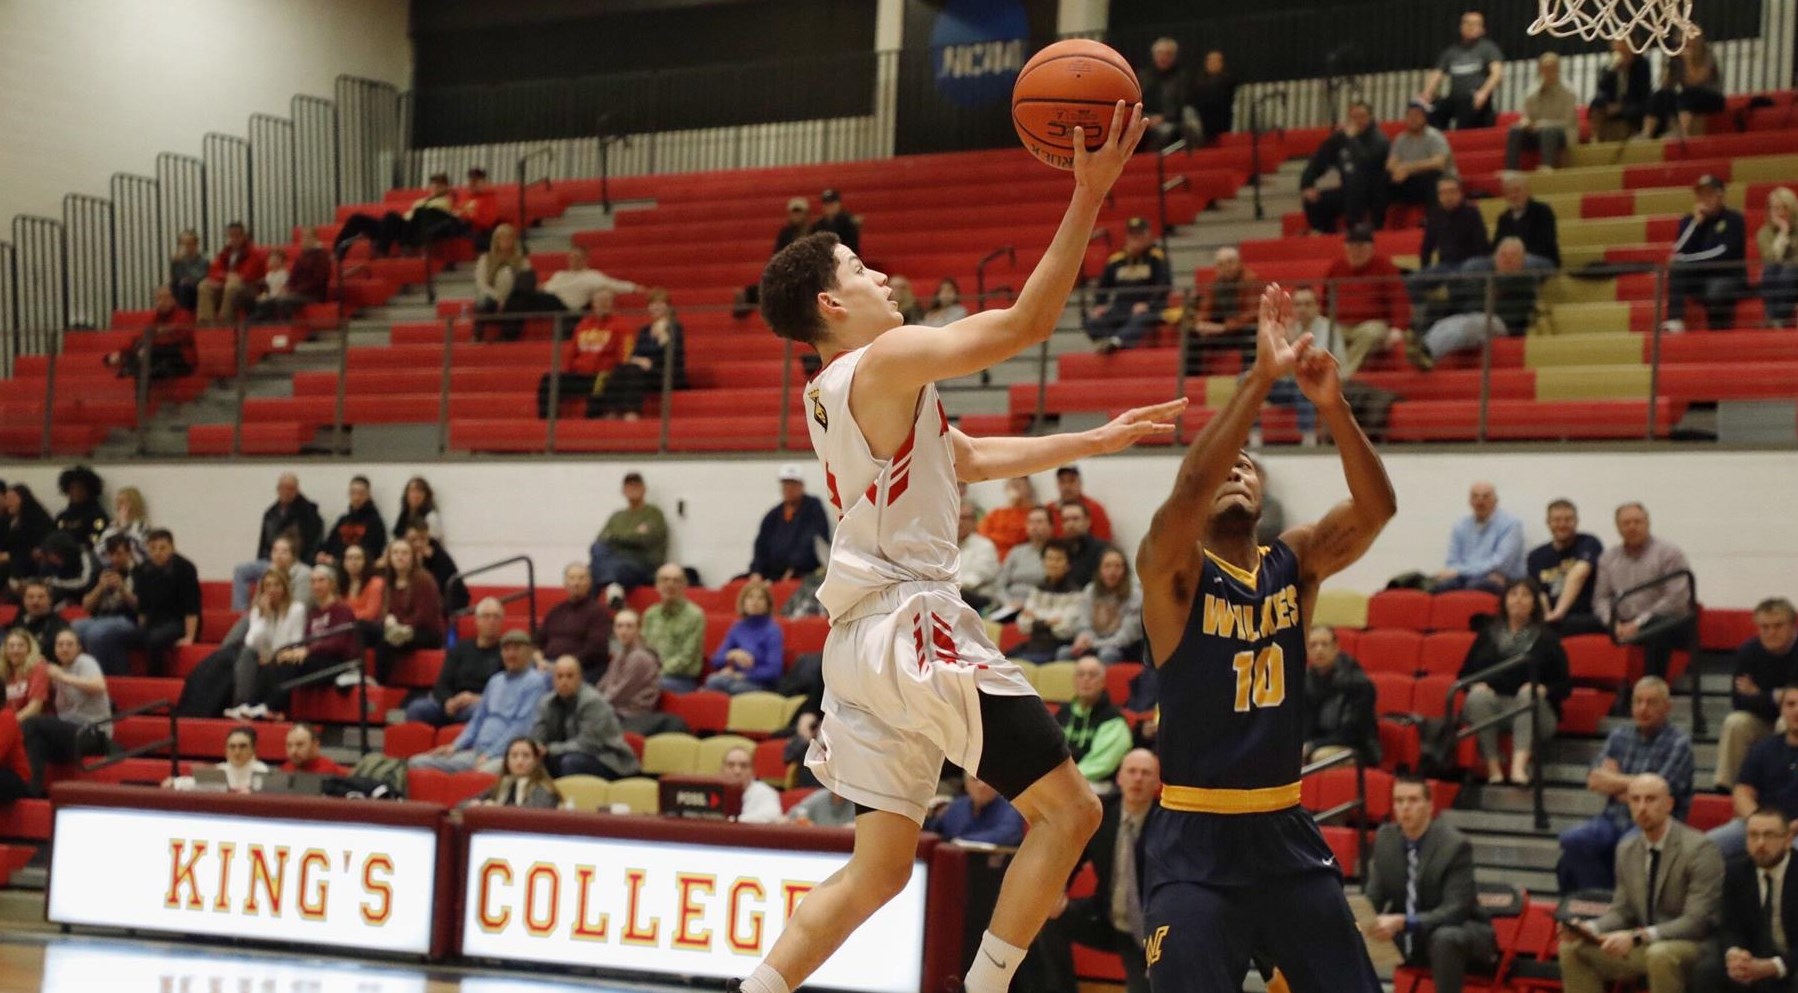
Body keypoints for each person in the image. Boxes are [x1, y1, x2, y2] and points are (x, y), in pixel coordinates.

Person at [736, 103, 1167, 993]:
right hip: (911, 624)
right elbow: (1022, 327)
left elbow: (966, 458)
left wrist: (1087, 444)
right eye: (860, 268)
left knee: (879, 870)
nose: (883, 274)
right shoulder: (884, 362)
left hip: (858, 646)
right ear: (830, 301)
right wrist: (1087, 197)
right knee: (1073, 810)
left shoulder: (839, 389)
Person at [1134, 282, 1396, 993]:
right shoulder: (1174, 572)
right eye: (1225, 467)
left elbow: (1377, 508)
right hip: (1193, 838)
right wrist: (1259, 378)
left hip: (1283, 830)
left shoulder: (1297, 559)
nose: (1234, 473)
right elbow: (1190, 484)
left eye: (1247, 466)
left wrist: (1333, 407)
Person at [1557, 773, 1722, 993]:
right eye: (1635, 800)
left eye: (1651, 799)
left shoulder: (1700, 848)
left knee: (1660, 954)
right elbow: (1621, 912)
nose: (1642, 807)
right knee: (1572, 949)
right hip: (1647, 943)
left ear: (1669, 804)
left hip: (1695, 945)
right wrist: (1588, 928)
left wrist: (1637, 936)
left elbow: (1696, 921)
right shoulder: (1627, 849)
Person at [1026, 749, 1160, 993]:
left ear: (1157, 782)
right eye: (1132, 771)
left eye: (1146, 773)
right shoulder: (1103, 812)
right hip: (1105, 916)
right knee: (1050, 916)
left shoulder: (1166, 823)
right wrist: (1058, 889)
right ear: (1119, 778)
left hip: (1146, 932)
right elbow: (1071, 852)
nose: (1138, 778)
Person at [1557, 677, 1695, 892]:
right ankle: (1601, 902)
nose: (1643, 708)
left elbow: (1660, 791)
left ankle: (1616, 908)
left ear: (1667, 707)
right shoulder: (1619, 736)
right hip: (1613, 819)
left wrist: (1616, 783)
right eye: (1637, 701)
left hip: (1653, 825)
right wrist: (1639, 785)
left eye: (1651, 702)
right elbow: (1594, 780)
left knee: (1628, 847)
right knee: (1572, 841)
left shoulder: (1679, 742)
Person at [1363, 777, 1495, 993]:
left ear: (1430, 805)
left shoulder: (1454, 845)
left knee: (1445, 937)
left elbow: (1456, 910)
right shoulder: (1385, 839)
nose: (1405, 807)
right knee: (1351, 930)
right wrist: (1359, 921)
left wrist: (1405, 922)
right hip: (1409, 934)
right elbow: (1374, 897)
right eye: (1399, 800)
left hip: (1462, 933)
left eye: (1413, 800)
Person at [1459, 578, 1572, 785]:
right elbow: (1464, 675)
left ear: (1534, 603)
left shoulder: (1547, 638)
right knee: (1477, 697)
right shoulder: (1488, 634)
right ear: (1504, 600)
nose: (1518, 600)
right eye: (1513, 594)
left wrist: (1543, 690)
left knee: (1526, 695)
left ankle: (1518, 767)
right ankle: (1493, 769)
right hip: (1496, 708)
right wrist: (1475, 684)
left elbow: (1565, 686)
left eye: (1525, 595)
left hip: (1536, 711)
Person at [410, 630, 550, 775]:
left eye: (516, 649)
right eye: (506, 649)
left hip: (506, 756)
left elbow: (521, 727)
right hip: (476, 752)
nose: (511, 654)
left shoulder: (535, 682)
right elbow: (477, 720)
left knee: (480, 775)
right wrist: (455, 746)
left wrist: (490, 754)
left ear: (528, 652)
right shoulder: (495, 681)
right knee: (418, 762)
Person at [228, 567, 357, 722]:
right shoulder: (314, 612)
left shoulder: (341, 610)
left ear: (332, 583)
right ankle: (251, 705)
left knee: (286, 660)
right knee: (276, 660)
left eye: (321, 580)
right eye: (313, 581)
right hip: (313, 659)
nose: (316, 585)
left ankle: (271, 707)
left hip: (335, 663)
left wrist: (307, 651)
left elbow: (339, 642)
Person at [1697, 807, 1798, 993]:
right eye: (1753, 835)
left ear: (1788, 839)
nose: (1760, 844)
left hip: (1791, 959)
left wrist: (1773, 966)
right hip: (1754, 955)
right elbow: (1729, 924)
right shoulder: (1737, 870)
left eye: (1769, 835)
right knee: (1708, 969)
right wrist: (1735, 953)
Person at [1593, 503, 1694, 681]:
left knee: (1658, 629)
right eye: (1626, 523)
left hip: (1665, 621)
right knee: (1571, 624)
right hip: (1622, 621)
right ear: (1618, 527)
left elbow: (1675, 599)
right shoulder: (1608, 557)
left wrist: (1638, 624)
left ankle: (1651, 690)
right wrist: (1612, 623)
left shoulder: (1669, 553)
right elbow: (1600, 599)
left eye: (1637, 521)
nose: (1632, 527)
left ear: (1648, 523)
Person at [1408, 237, 1538, 370]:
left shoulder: (1525, 282)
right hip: (1471, 316)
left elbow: (1514, 313)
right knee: (1446, 323)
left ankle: (1428, 354)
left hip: (1499, 322)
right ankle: (1422, 346)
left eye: (1513, 256)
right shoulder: (1483, 278)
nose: (1507, 259)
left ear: (1522, 260)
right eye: (1503, 255)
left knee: (1467, 326)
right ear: (1495, 257)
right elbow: (1466, 298)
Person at [1715, 599, 1798, 793]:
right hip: (1762, 719)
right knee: (1736, 722)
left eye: (1778, 626)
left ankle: (1780, 786)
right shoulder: (1748, 651)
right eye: (1764, 627)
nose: (1771, 632)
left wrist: (1759, 694)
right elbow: (1739, 701)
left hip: (1792, 720)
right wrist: (1774, 697)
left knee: (1785, 723)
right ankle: (1729, 788)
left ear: (1793, 626)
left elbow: (1793, 701)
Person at [19, 629, 111, 796]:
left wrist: (61, 677)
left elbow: (99, 686)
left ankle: (31, 790)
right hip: (69, 736)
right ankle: (32, 794)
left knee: (33, 722)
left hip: (93, 733)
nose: (64, 648)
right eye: (60, 645)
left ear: (79, 648)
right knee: (35, 740)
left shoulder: (85, 662)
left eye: (69, 644)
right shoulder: (57, 670)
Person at [1713, 687, 1798, 862]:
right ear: (1781, 710)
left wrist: (1789, 829)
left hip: (1795, 831)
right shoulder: (1763, 749)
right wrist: (1757, 822)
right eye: (1790, 704)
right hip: (1758, 824)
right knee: (1705, 847)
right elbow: (1742, 790)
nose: (1796, 710)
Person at [1663, 174, 1748, 332]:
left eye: (1709, 193)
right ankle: (1675, 320)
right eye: (1700, 194)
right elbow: (1679, 249)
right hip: (1699, 277)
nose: (1704, 198)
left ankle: (1718, 335)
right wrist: (1696, 224)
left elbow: (1723, 252)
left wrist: (1687, 260)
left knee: (1715, 290)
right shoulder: (1689, 220)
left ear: (1720, 195)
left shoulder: (1734, 219)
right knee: (1677, 266)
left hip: (1727, 276)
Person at [1322, 225, 1410, 377]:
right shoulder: (1336, 268)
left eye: (1361, 248)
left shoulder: (1385, 267)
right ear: (1346, 248)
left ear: (1370, 249)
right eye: (1352, 248)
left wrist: (1397, 328)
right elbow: (1325, 301)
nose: (1356, 252)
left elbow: (1398, 299)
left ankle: (1342, 377)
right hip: (1341, 325)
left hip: (1372, 324)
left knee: (1370, 333)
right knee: (1324, 333)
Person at [534, 656, 640, 780]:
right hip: (565, 754)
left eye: (569, 676)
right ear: (553, 680)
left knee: (571, 762)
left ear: (580, 678)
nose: (564, 681)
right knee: (533, 762)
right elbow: (538, 735)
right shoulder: (546, 703)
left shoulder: (592, 702)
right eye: (559, 676)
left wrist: (550, 749)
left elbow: (588, 745)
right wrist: (535, 748)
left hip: (608, 761)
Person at [230, 473, 323, 610]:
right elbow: (263, 541)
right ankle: (240, 612)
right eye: (282, 488)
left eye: (290, 488)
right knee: (241, 570)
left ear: (297, 490)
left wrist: (301, 560)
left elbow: (313, 543)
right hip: (270, 559)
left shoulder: (309, 513)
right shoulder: (270, 512)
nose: (286, 491)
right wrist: (264, 559)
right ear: (277, 489)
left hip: (296, 561)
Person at [407, 597, 504, 727]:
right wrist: (449, 701)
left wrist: (475, 698)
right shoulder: (460, 648)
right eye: (486, 616)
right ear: (477, 621)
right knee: (417, 709)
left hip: (480, 703)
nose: (491, 621)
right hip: (452, 704)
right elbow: (441, 685)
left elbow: (504, 692)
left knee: (477, 711)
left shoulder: (505, 653)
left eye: (496, 617)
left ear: (502, 621)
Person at [1409, 177, 1491, 329]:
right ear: (1438, 196)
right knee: (1414, 280)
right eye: (1443, 193)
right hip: (1446, 265)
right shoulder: (1435, 215)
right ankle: (1419, 323)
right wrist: (1424, 269)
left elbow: (1483, 246)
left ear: (1460, 194)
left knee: (1461, 275)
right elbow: (1427, 246)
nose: (1448, 197)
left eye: (1452, 192)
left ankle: (1459, 320)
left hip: (1470, 263)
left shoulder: (1472, 213)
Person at [1299, 101, 1390, 235]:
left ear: (1370, 118)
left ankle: (1355, 232)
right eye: (1354, 117)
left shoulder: (1380, 140)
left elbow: (1364, 164)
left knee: (1355, 189)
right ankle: (1325, 235)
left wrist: (1351, 139)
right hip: (1348, 191)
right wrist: (1307, 184)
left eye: (1362, 116)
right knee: (1313, 200)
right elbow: (1319, 160)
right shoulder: (1341, 139)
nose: (1358, 121)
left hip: (1373, 193)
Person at [536, 288, 629, 419]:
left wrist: (615, 372)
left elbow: (625, 354)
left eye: (606, 301)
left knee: (600, 384)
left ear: (612, 303)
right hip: (580, 375)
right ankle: (547, 421)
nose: (603, 304)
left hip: (603, 375)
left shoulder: (621, 325)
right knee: (549, 380)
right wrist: (568, 370)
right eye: (599, 301)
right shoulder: (583, 325)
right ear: (593, 304)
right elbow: (572, 352)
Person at [1085, 217, 1171, 354]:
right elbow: (1103, 287)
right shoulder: (1115, 260)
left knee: (1139, 319)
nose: (1136, 238)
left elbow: (1164, 285)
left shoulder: (1157, 257)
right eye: (1132, 234)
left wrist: (1149, 305)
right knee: (1092, 321)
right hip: (1121, 307)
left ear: (1148, 235)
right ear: (1127, 236)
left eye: (1140, 234)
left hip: (1148, 308)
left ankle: (1116, 342)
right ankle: (1109, 342)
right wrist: (1099, 305)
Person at [365, 538, 443, 687]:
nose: (399, 556)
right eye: (395, 553)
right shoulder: (388, 580)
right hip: (397, 628)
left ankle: (379, 684)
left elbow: (424, 616)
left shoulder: (423, 580)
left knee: (387, 643)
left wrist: (400, 625)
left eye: (405, 553)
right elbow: (385, 610)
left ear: (412, 557)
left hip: (425, 633)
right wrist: (387, 620)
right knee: (363, 628)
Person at [1302, 625, 1379, 766]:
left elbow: (1353, 733)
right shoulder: (1304, 682)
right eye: (1313, 645)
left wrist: (1313, 745)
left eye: (1324, 644)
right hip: (1316, 745)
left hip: (1356, 749)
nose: (1319, 649)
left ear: (1336, 647)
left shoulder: (1359, 684)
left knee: (1321, 757)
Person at [1527, 499, 1606, 636]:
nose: (1562, 525)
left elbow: (1578, 575)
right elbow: (1540, 593)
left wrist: (1558, 613)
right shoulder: (1536, 556)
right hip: (1552, 619)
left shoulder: (1589, 542)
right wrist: (1547, 615)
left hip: (1585, 614)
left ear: (1576, 521)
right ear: (1548, 522)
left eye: (1568, 520)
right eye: (1557, 520)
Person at [1431, 482, 1526, 594]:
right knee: (1437, 587)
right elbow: (1452, 563)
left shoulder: (1511, 525)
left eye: (1486, 496)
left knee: (1476, 585)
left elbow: (1500, 563)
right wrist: (1462, 572)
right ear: (1470, 502)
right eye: (1475, 497)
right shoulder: (1460, 526)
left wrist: (1460, 571)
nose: (1480, 501)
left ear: (1496, 501)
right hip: (1467, 578)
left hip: (1504, 581)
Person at [1417, 10, 1503, 131]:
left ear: (1482, 28)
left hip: (1476, 99)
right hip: (1455, 98)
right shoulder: (1451, 52)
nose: (1470, 27)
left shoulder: (1489, 48)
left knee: (1467, 112)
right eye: (1467, 23)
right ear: (1461, 26)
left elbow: (1496, 74)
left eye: (1475, 24)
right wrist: (1426, 94)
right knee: (1433, 111)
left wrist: (1483, 92)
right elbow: (1437, 74)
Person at [1058, 657, 1132, 793]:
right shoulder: (1063, 713)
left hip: (1097, 784)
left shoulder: (1113, 718)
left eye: (1092, 675)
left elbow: (1102, 765)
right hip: (1061, 780)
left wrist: (1064, 781)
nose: (1086, 679)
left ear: (1103, 682)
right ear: (1074, 680)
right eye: (1080, 674)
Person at [597, 609, 677, 736]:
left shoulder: (640, 657)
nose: (623, 631)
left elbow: (621, 692)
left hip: (631, 715)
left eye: (629, 626)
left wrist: (594, 704)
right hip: (615, 710)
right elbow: (603, 684)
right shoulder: (620, 655)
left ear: (638, 629)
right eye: (619, 626)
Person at [589, 472, 669, 597]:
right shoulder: (617, 516)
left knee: (599, 569)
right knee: (596, 550)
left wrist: (615, 536)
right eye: (629, 486)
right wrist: (631, 535)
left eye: (636, 486)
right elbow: (602, 539)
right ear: (623, 491)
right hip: (615, 561)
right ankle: (611, 588)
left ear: (644, 489)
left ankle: (610, 589)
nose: (633, 489)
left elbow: (643, 540)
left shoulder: (653, 513)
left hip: (642, 563)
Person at [70, 536, 140, 675]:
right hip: (102, 617)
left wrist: (122, 589)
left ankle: (97, 676)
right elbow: (86, 606)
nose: (115, 559)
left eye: (119, 554)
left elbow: (140, 606)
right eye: (111, 554)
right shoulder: (101, 572)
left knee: (95, 633)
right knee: (74, 627)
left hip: (129, 619)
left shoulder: (140, 572)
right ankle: (78, 673)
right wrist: (100, 588)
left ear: (129, 553)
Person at [749, 465, 832, 582]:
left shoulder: (813, 508)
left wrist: (794, 567)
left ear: (801, 486)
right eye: (785, 484)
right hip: (773, 574)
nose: (789, 488)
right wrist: (756, 571)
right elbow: (761, 545)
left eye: (793, 484)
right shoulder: (772, 516)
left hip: (804, 573)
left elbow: (814, 540)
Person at [1186, 246, 1261, 368]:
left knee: (1251, 334)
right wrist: (1201, 323)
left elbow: (1252, 314)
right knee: (1193, 334)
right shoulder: (1215, 283)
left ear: (1238, 263)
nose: (1226, 267)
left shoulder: (1250, 280)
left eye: (1230, 262)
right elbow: (1206, 307)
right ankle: (1191, 380)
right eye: (1220, 264)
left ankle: (1247, 377)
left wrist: (1224, 327)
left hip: (1241, 329)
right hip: (1223, 330)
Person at [705, 580, 784, 695]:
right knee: (713, 681)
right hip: (734, 679)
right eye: (750, 597)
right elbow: (716, 660)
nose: (755, 602)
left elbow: (774, 670)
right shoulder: (737, 627)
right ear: (743, 603)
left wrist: (743, 675)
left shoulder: (773, 631)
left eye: (760, 598)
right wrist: (732, 654)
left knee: (736, 688)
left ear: (767, 605)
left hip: (760, 683)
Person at [535, 564, 613, 682]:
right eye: (572, 578)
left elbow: (595, 650)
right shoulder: (556, 611)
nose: (576, 583)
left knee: (538, 681)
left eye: (581, 578)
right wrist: (539, 661)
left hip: (580, 669)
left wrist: (561, 666)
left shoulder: (598, 612)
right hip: (547, 666)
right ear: (565, 583)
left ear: (589, 583)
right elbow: (536, 643)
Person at [1065, 548, 1142, 664]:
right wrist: (1085, 638)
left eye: (1117, 566)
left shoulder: (1135, 595)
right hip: (1093, 642)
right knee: (1063, 653)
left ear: (1125, 571)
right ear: (1099, 570)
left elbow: (1125, 637)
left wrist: (1094, 644)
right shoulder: (1090, 591)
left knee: (1107, 654)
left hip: (1122, 648)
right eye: (1107, 566)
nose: (1112, 572)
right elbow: (1083, 624)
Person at [1012, 542, 1084, 664]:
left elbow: (1065, 629)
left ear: (1068, 565)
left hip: (1057, 648)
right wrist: (1049, 621)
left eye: (1058, 559)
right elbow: (1022, 624)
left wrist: (1036, 620)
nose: (1053, 564)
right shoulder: (1038, 590)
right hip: (1033, 645)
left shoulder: (1076, 594)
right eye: (1049, 559)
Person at [105, 286, 196, 381]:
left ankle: (131, 366)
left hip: (181, 359)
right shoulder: (157, 317)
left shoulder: (183, 315)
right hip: (158, 355)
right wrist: (122, 352)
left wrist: (157, 337)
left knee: (149, 351)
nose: (161, 302)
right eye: (158, 299)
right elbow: (143, 336)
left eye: (165, 298)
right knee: (142, 348)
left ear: (173, 300)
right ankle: (133, 365)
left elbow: (179, 337)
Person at [1643, 34, 1724, 140]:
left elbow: (1695, 81)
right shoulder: (1678, 57)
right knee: (1660, 95)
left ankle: (1683, 132)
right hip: (1688, 96)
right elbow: (1665, 85)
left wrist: (1688, 61)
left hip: (1711, 96)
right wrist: (1669, 65)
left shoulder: (1707, 55)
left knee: (1687, 95)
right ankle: (1647, 133)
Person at [1505, 53, 1577, 172]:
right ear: (1540, 70)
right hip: (1536, 133)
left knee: (1548, 130)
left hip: (1561, 134)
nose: (1548, 72)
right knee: (1515, 130)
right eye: (1545, 68)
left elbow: (1567, 122)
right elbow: (1525, 116)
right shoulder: (1531, 93)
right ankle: (1511, 169)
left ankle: (1547, 165)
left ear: (1558, 69)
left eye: (1552, 68)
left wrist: (1543, 124)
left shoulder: (1568, 92)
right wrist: (1526, 123)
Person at [644, 563, 706, 692]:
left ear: (684, 586)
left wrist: (657, 672)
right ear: (657, 585)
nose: (670, 585)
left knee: (644, 686)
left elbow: (685, 658)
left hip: (680, 679)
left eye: (676, 581)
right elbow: (643, 648)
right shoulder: (650, 614)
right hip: (651, 674)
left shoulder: (695, 615)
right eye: (665, 580)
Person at [472, 224, 537, 341]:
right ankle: (477, 335)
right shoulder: (485, 259)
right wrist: (498, 297)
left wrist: (507, 298)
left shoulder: (522, 260)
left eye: (509, 238)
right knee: (483, 300)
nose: (506, 241)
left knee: (519, 302)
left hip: (513, 296)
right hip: (492, 295)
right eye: (502, 238)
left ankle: (508, 336)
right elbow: (481, 284)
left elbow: (526, 281)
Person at [194, 222, 267, 324]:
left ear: (244, 236)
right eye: (231, 236)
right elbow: (213, 271)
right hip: (227, 285)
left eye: (237, 236)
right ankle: (205, 322)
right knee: (204, 285)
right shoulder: (226, 252)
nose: (234, 239)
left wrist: (227, 279)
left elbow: (247, 275)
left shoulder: (254, 253)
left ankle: (225, 321)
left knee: (232, 286)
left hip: (250, 288)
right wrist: (224, 277)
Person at [1387, 102, 1455, 212]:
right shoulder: (1400, 139)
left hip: (1434, 181)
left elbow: (1439, 163)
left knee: (1432, 177)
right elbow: (1391, 163)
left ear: (1424, 118)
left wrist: (1408, 168)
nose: (1413, 119)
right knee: (1382, 178)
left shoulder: (1435, 137)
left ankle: (1433, 219)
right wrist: (1397, 171)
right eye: (1409, 116)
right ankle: (1377, 223)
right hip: (1411, 181)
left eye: (1417, 115)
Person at [926, 775, 1028, 846]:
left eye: (988, 780)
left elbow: (1008, 834)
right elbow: (933, 829)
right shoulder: (956, 806)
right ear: (966, 784)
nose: (982, 785)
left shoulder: (1010, 807)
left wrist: (961, 840)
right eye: (975, 779)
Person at [1489, 172, 1561, 270]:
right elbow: (1496, 245)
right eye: (1509, 192)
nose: (1513, 195)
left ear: (1527, 191)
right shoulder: (1503, 218)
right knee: (1476, 266)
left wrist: (1517, 254)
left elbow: (1546, 243)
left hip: (1542, 259)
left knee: (1521, 263)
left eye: (1517, 191)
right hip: (1509, 258)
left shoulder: (1542, 211)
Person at [543, 245, 642, 316]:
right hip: (554, 303)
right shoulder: (560, 275)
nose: (573, 261)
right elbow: (547, 288)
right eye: (571, 257)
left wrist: (633, 287)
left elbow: (613, 284)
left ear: (585, 260)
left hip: (573, 308)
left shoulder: (592, 276)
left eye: (577, 258)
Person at [164, 727, 267, 793]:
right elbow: (195, 784)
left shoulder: (264, 772)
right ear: (226, 750)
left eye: (242, 746)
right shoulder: (218, 771)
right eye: (232, 747)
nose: (237, 752)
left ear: (253, 749)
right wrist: (174, 783)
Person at [469, 738, 562, 809]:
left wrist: (499, 810)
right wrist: (474, 805)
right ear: (507, 760)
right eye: (514, 756)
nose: (519, 761)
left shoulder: (544, 788)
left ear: (536, 760)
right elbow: (462, 804)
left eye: (526, 756)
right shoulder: (502, 784)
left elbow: (532, 816)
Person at [1141, 38, 1200, 150]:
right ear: (1153, 55)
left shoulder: (1183, 78)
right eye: (1160, 53)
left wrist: (1163, 118)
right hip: (1144, 119)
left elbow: (1184, 104)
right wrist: (1145, 118)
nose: (1163, 57)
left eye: (1168, 54)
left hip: (1172, 121)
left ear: (1174, 56)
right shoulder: (1143, 77)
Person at [1589, 40, 1653, 142]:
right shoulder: (1608, 67)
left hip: (1633, 103)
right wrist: (1613, 70)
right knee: (1597, 102)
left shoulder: (1641, 65)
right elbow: (1602, 88)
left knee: (1637, 109)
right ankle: (1595, 138)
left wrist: (1621, 106)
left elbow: (1643, 93)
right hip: (1612, 104)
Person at [994, 506, 1053, 614]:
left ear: (1050, 526)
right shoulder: (1016, 551)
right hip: (1008, 605)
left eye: (1039, 522)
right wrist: (1008, 602)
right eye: (1031, 522)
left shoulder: (1055, 554)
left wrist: (1026, 605)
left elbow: (1053, 589)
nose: (1034, 526)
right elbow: (999, 585)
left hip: (1036, 607)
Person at [316, 475, 386, 566]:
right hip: (335, 567)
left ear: (368, 495)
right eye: (353, 493)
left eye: (361, 493)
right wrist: (322, 553)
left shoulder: (375, 522)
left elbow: (372, 554)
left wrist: (338, 562)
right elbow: (329, 544)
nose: (356, 497)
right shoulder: (343, 520)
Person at [1757, 187, 1798, 327]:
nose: (1780, 213)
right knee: (1769, 270)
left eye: (1784, 208)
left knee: (1788, 270)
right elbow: (1769, 258)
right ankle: (1773, 317)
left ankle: (1778, 317)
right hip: (1777, 276)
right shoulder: (1764, 233)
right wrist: (1782, 234)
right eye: (1775, 208)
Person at [0, 485, 52, 586]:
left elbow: (38, 551)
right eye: (7, 498)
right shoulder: (7, 521)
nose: (8, 503)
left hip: (28, 564)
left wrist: (10, 556)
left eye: (13, 499)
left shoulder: (38, 520)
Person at [979, 477, 1040, 560]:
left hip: (1021, 559)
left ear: (1028, 488)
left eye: (1019, 484)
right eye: (1013, 484)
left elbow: (1020, 538)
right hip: (992, 559)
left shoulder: (1034, 513)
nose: (1015, 486)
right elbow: (982, 537)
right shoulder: (996, 513)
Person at [10, 581, 72, 662]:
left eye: (41, 597)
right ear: (24, 600)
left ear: (50, 600)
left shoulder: (60, 627)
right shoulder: (20, 621)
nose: (35, 601)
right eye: (30, 597)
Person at [956, 502, 1001, 612]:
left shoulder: (985, 545)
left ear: (974, 522)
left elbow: (978, 578)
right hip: (954, 593)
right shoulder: (946, 546)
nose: (960, 522)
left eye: (965, 518)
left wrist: (950, 588)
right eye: (956, 517)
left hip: (979, 595)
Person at [723, 745, 783, 824]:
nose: (737, 771)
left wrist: (730, 821)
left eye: (743, 766)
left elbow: (772, 815)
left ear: (753, 771)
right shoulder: (713, 790)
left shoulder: (765, 792)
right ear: (722, 769)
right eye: (731, 765)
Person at [1054, 501, 1110, 588]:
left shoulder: (1103, 550)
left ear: (1087, 522)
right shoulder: (1057, 549)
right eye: (1065, 520)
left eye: (1075, 519)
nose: (1070, 524)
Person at [1051, 466, 1112, 542]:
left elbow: (1103, 541)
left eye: (1072, 481)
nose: (1067, 486)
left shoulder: (1095, 509)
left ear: (1080, 483)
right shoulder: (1050, 509)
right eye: (1062, 481)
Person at [1191, 50, 1236, 145]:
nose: (1212, 64)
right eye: (1209, 61)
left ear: (1222, 63)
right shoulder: (1198, 82)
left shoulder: (1229, 81)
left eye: (1216, 61)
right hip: (1202, 116)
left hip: (1222, 118)